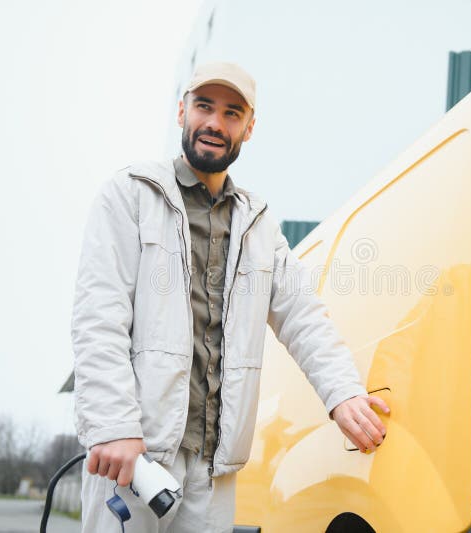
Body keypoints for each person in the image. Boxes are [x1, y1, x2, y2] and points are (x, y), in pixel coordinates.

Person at [71, 62, 389, 533]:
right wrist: (115, 426)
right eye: (204, 107)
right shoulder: (129, 196)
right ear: (182, 111)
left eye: (232, 113)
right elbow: (99, 319)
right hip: (135, 458)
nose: (216, 124)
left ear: (249, 127)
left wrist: (343, 393)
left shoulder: (258, 224)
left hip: (214, 471)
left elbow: (302, 316)